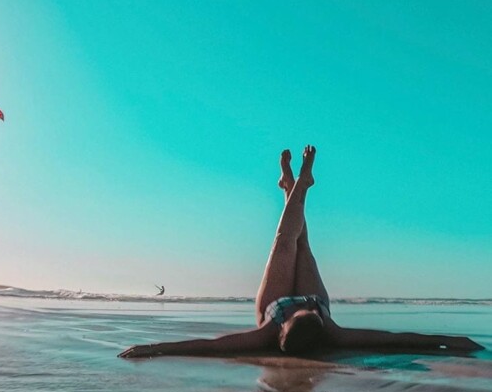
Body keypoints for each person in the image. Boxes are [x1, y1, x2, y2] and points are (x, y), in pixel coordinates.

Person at [119, 146, 483, 359]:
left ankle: (296, 188)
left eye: (302, 312)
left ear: (282, 328)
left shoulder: (264, 335)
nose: (304, 307)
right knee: (302, 243)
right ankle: (291, 188)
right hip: (306, 304)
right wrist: (446, 340)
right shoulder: (332, 330)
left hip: (272, 303)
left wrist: (152, 348)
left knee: (283, 241)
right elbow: (394, 339)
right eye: (311, 311)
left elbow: (208, 346)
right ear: (320, 319)